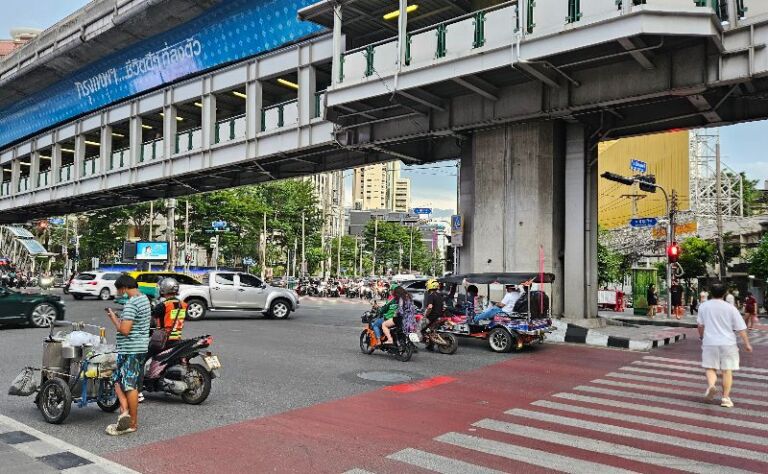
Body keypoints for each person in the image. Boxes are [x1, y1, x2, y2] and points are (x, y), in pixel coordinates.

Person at [105, 275, 151, 435]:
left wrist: (113, 318)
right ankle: (124, 410)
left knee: (130, 385)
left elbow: (124, 330)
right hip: (139, 347)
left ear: (124, 288)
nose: (119, 293)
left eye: (119, 290)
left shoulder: (131, 304)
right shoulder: (144, 299)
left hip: (131, 349)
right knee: (117, 379)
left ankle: (132, 423)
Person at [697, 283, 752, 408]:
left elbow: (700, 325)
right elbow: (741, 328)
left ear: (711, 293)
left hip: (710, 342)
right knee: (727, 371)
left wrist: (702, 337)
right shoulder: (731, 308)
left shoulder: (703, 306)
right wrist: (747, 344)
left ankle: (711, 386)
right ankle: (725, 398)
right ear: (725, 293)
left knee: (710, 368)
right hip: (728, 343)